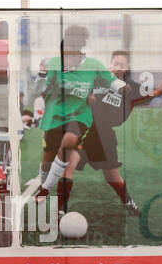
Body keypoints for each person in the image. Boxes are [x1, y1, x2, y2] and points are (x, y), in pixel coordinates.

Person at [32, 25, 123, 211]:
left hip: (80, 115)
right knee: (47, 160)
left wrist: (123, 87)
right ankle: (42, 180)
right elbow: (38, 90)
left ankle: (45, 188)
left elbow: (112, 81)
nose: (73, 43)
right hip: (55, 117)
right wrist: (42, 74)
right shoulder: (54, 63)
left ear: (82, 43)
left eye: (78, 40)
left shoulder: (94, 65)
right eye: (70, 39)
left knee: (69, 141)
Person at [77, 51, 162, 217]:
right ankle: (57, 206)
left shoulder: (131, 89)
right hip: (83, 130)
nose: (117, 67)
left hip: (104, 136)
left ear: (128, 67)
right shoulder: (97, 79)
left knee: (112, 176)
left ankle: (128, 202)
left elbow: (156, 93)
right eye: (115, 63)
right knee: (62, 164)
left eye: (122, 65)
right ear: (110, 64)